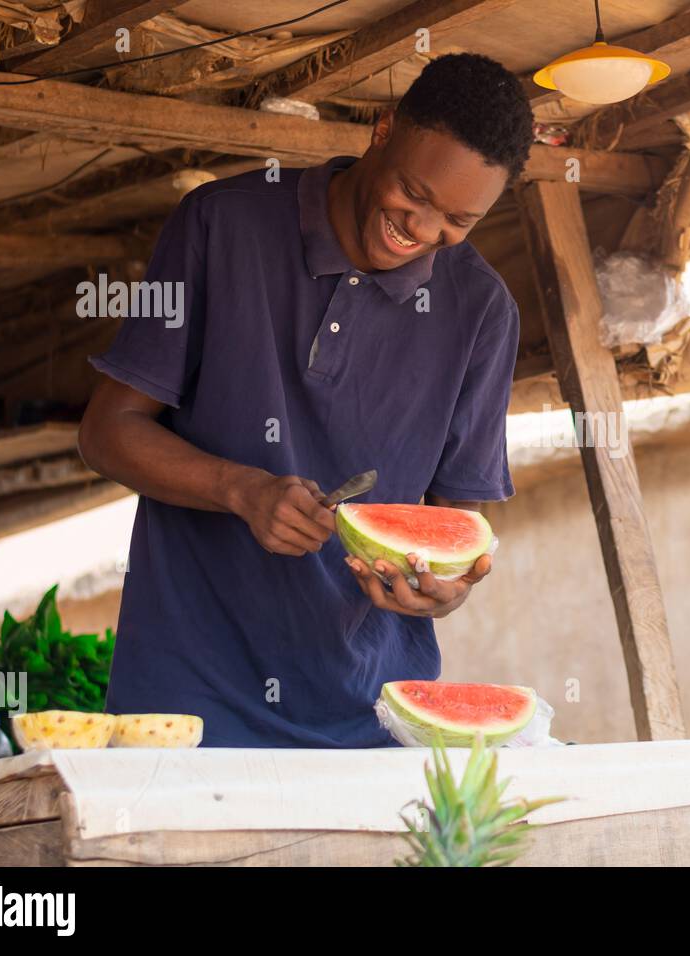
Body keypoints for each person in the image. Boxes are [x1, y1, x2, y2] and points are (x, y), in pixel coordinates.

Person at [77, 53, 533, 747]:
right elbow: (108, 431)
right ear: (382, 130)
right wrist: (241, 489)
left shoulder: (482, 312)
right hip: (183, 700)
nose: (422, 230)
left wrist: (447, 589)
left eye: (457, 222)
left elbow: (454, 519)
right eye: (414, 193)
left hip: (374, 713)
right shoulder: (218, 224)